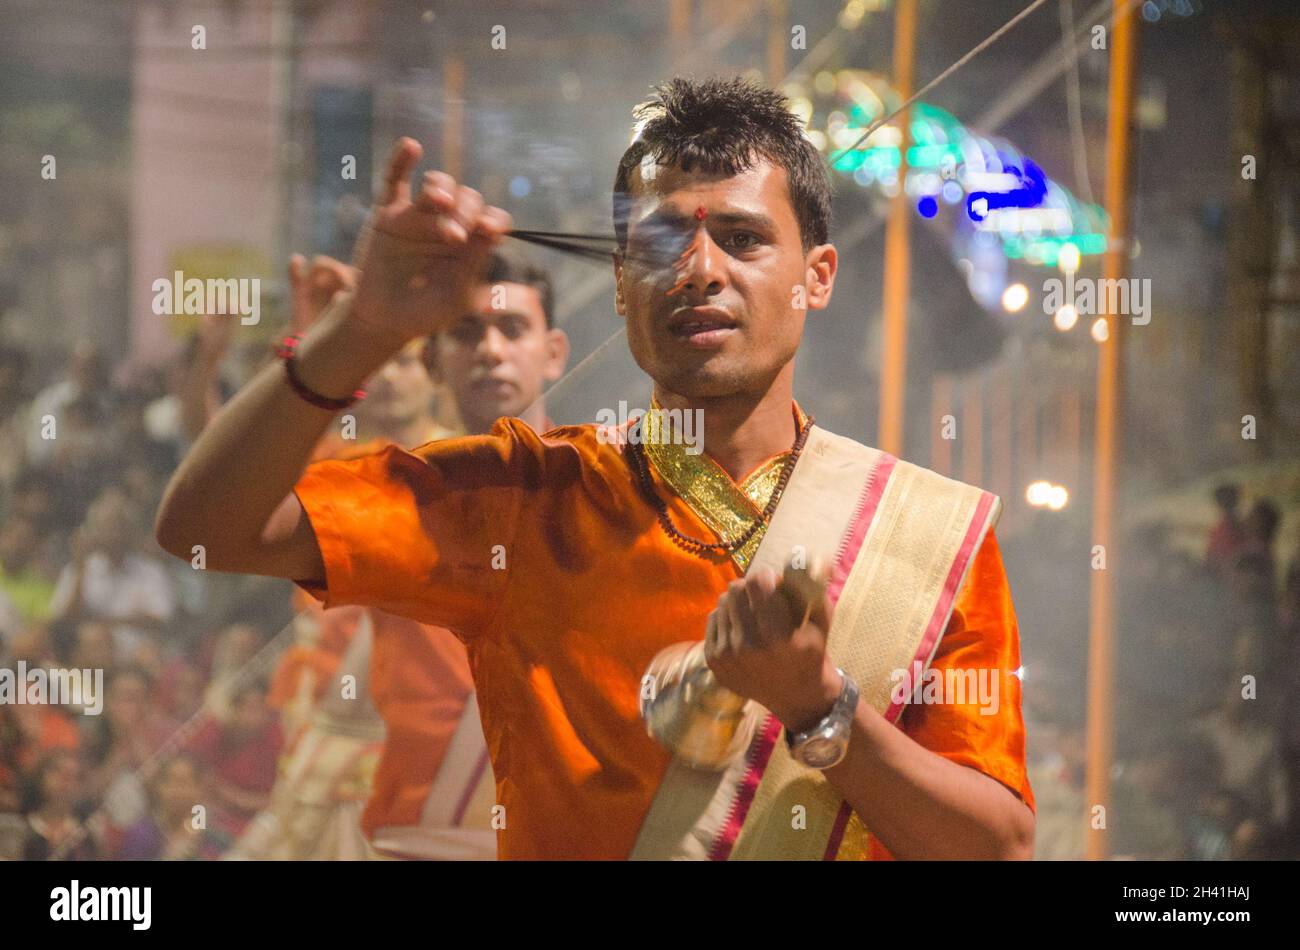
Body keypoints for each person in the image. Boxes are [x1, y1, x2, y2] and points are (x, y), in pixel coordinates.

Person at [157, 76, 1034, 860]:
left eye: (742, 237)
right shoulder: (520, 498)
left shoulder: (929, 536)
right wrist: (364, 331)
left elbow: (995, 847)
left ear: (817, 276)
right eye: (661, 246)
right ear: (621, 287)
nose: (698, 270)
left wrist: (817, 707)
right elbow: (206, 531)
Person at [235, 248, 567, 860]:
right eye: (467, 333)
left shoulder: (608, 493)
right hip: (410, 833)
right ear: (437, 361)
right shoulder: (403, 494)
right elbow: (228, 521)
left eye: (512, 329)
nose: (491, 350)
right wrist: (320, 357)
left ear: (554, 353)